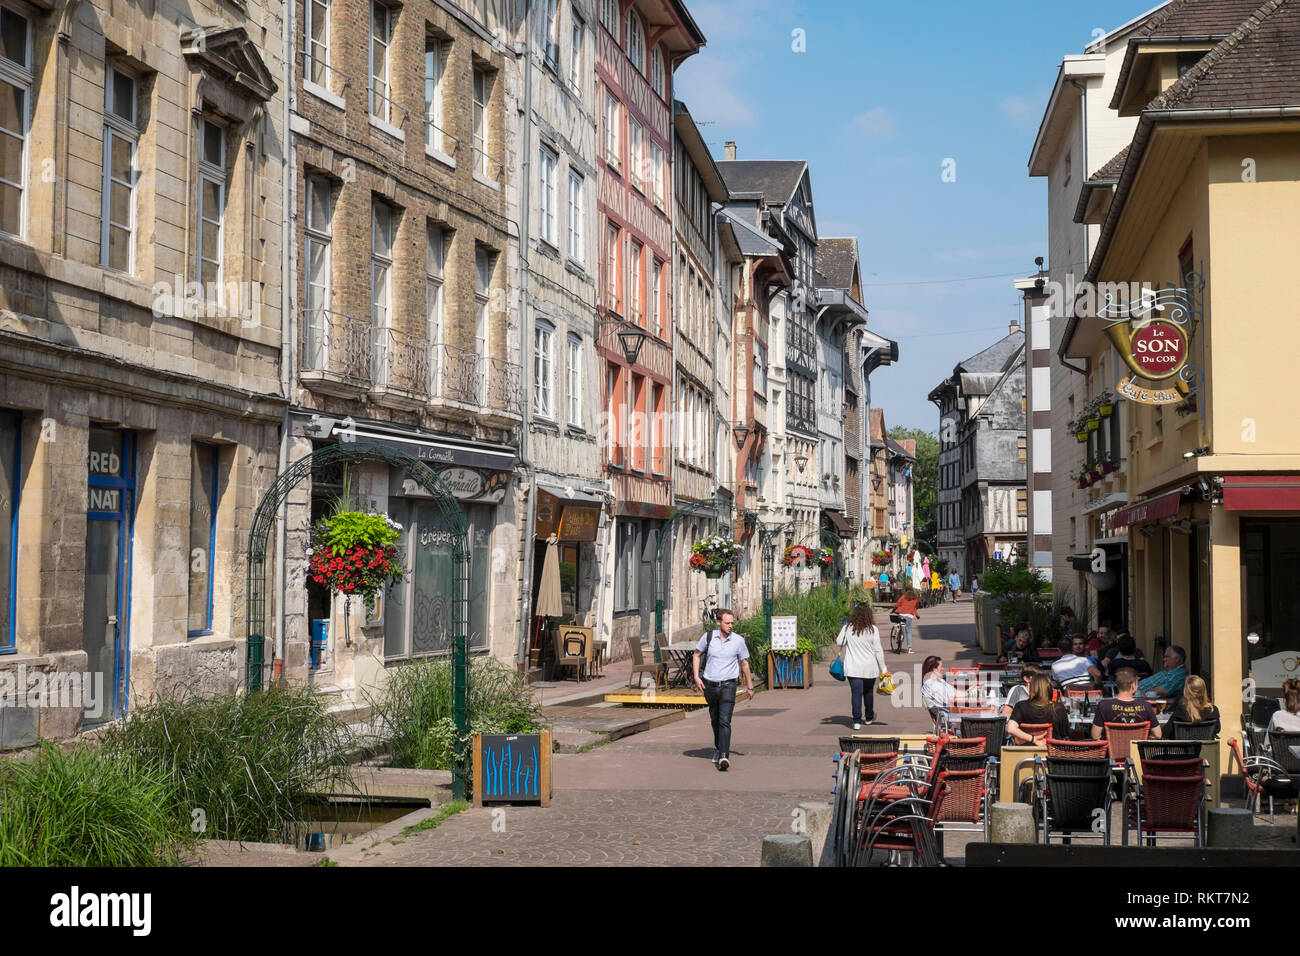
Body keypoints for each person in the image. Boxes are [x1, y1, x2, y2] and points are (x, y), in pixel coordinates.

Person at [692, 609, 754, 772]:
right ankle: (719, 748)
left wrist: (750, 686)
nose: (730, 626)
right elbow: (697, 655)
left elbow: (744, 663)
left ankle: (724, 756)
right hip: (710, 685)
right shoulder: (708, 637)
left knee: (724, 720)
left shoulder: (738, 641)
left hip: (729, 685)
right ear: (719, 623)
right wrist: (697, 677)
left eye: (732, 623)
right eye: (727, 623)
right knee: (715, 719)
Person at [835, 602, 888, 730]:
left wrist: (845, 629)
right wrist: (884, 668)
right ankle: (869, 717)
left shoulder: (848, 628)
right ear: (869, 615)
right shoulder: (873, 629)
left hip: (853, 667)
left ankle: (857, 721)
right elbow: (878, 650)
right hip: (870, 667)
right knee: (868, 692)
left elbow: (838, 642)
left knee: (856, 693)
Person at [1091, 668, 1163, 740]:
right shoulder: (1146, 706)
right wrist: (1144, 738)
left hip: (1113, 750)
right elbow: (1158, 735)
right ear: (1133, 685)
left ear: (1117, 684)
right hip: (1137, 750)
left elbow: (1095, 736)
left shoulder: (1103, 705)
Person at [1006, 673, 1069, 744]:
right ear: (1049, 688)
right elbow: (1065, 734)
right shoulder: (1058, 708)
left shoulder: (1021, 706)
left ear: (1032, 688)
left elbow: (1010, 729)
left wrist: (1033, 739)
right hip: (1053, 751)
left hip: (1025, 750)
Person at [891, 588, 922, 654]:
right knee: (908, 631)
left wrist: (893, 610)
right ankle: (910, 649)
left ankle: (897, 633)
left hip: (901, 614)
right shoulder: (915, 598)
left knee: (899, 623)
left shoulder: (903, 596)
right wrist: (913, 609)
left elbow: (897, 605)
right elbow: (917, 606)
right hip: (909, 616)